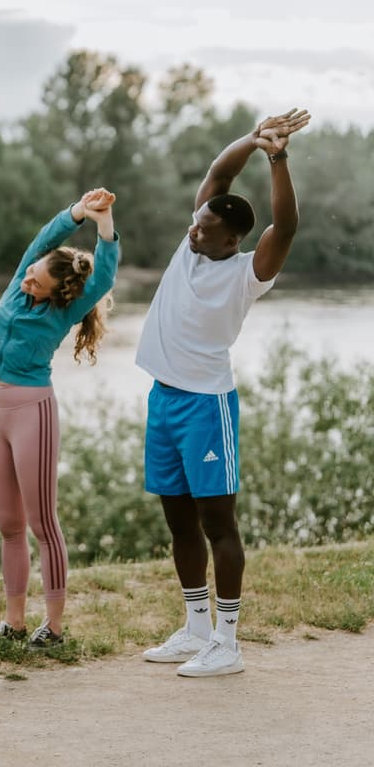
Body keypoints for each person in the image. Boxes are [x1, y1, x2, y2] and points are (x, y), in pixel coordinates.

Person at [138, 108, 310, 677]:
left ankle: (227, 642)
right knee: (179, 522)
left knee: (218, 524)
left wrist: (278, 158)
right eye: (196, 221)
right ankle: (194, 628)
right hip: (163, 400)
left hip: (207, 407)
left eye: (205, 228)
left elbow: (285, 226)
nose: (193, 230)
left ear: (232, 239)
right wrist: (253, 139)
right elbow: (219, 174)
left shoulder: (248, 273)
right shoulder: (188, 247)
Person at [0, 187, 120, 649]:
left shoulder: (64, 309)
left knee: (43, 523)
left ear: (58, 293)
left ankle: (54, 626)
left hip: (31, 412)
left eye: (36, 282)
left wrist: (104, 224)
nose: (27, 282)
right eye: (29, 274)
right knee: (8, 524)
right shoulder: (21, 279)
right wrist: (78, 211)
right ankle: (14, 621)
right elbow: (44, 240)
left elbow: (104, 276)